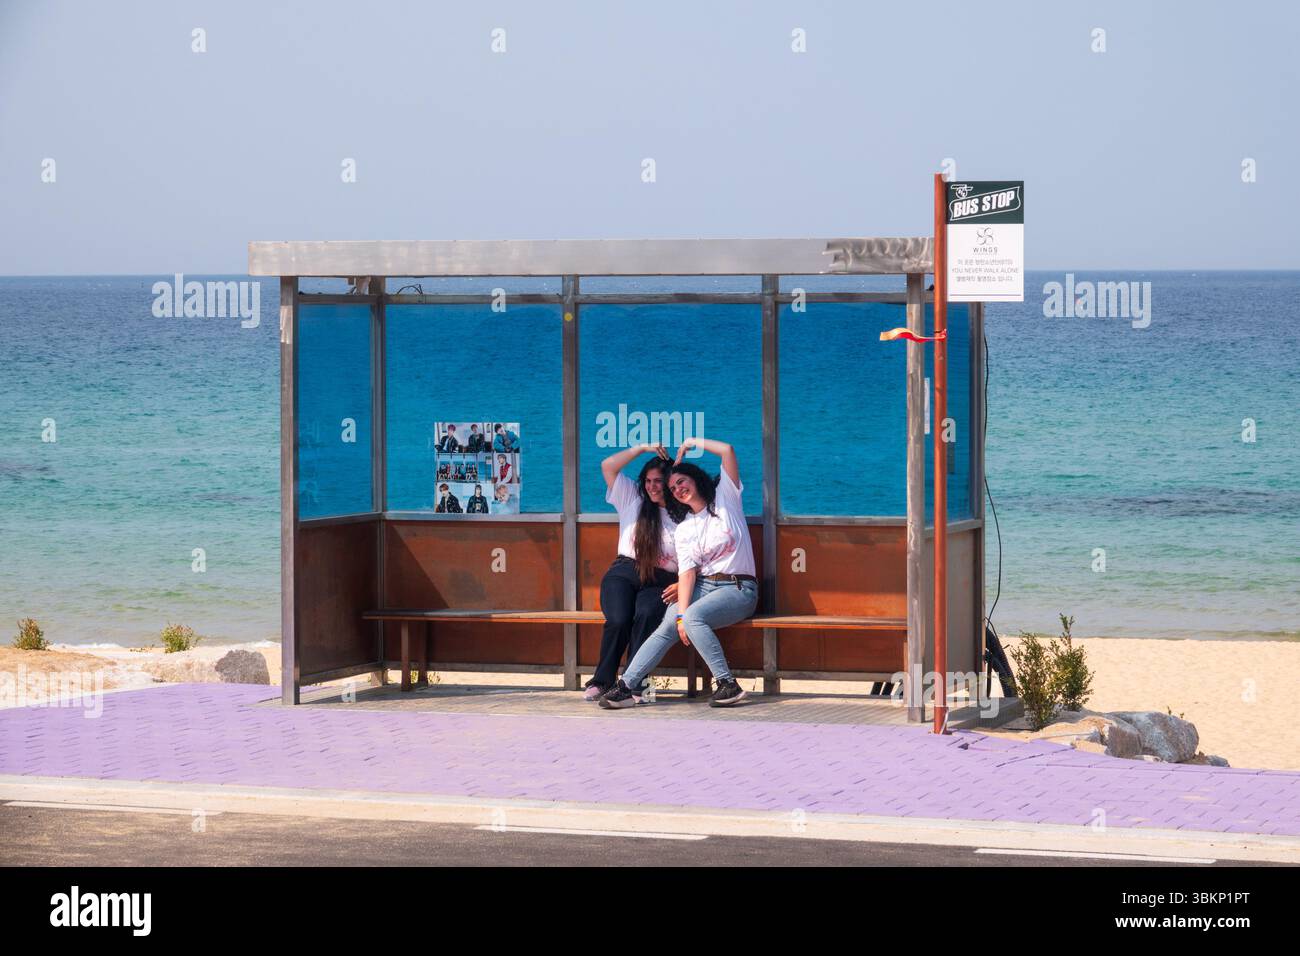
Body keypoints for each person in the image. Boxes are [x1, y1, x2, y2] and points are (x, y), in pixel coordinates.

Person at [600, 436, 756, 709]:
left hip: (738, 587)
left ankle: (727, 683)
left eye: (682, 481)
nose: (678, 489)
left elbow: (728, 449)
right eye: (673, 487)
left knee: (692, 616)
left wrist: (692, 442)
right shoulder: (684, 527)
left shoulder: (726, 498)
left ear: (696, 479)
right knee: (669, 624)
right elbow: (686, 574)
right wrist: (680, 615)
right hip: (704, 587)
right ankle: (627, 686)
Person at [583, 444, 680, 701]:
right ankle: (602, 681)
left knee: (647, 615)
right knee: (619, 619)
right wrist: (642, 448)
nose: (652, 487)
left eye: (659, 481)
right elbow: (608, 466)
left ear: (670, 482)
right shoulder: (632, 498)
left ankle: (634, 684)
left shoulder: (682, 512)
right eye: (648, 481)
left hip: (662, 579)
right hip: (625, 571)